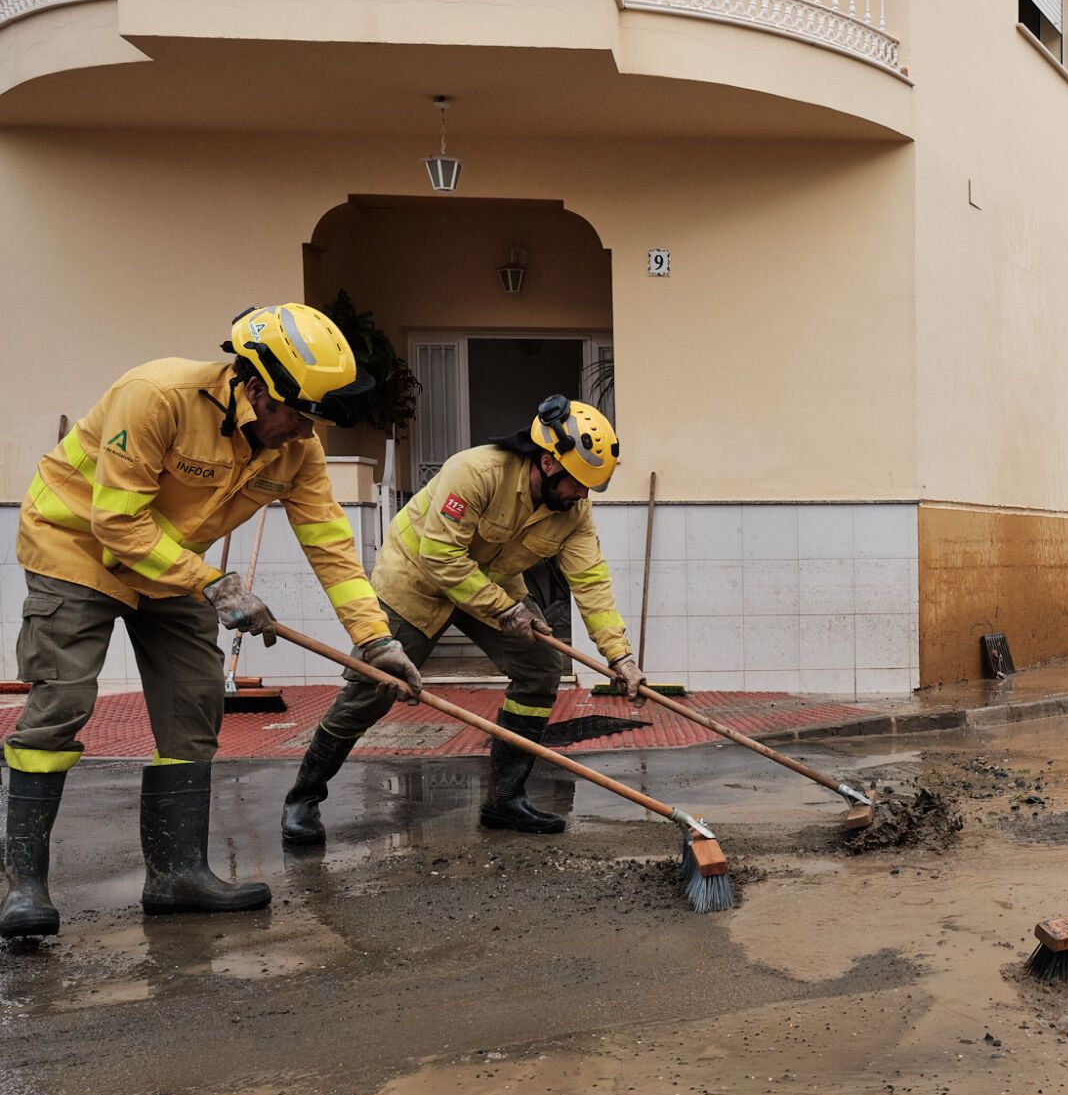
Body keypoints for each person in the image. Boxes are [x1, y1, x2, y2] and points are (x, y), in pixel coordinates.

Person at [2, 305, 423, 939]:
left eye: (314, 420)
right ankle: (24, 885)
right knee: (61, 701)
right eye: (297, 416)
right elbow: (116, 524)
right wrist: (213, 583)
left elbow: (330, 543)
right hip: (76, 550)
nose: (306, 434)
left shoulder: (297, 445)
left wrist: (375, 639)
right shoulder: (156, 397)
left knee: (195, 704)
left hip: (170, 567)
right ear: (255, 387)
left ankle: (176, 876)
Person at [280, 396, 645, 844]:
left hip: (490, 586)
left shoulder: (573, 512)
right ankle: (303, 799)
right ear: (549, 463)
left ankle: (506, 798)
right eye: (578, 483)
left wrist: (619, 655)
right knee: (372, 689)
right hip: (416, 581)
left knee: (540, 668)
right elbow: (439, 555)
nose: (583, 495)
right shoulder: (475, 472)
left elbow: (590, 580)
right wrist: (506, 610)